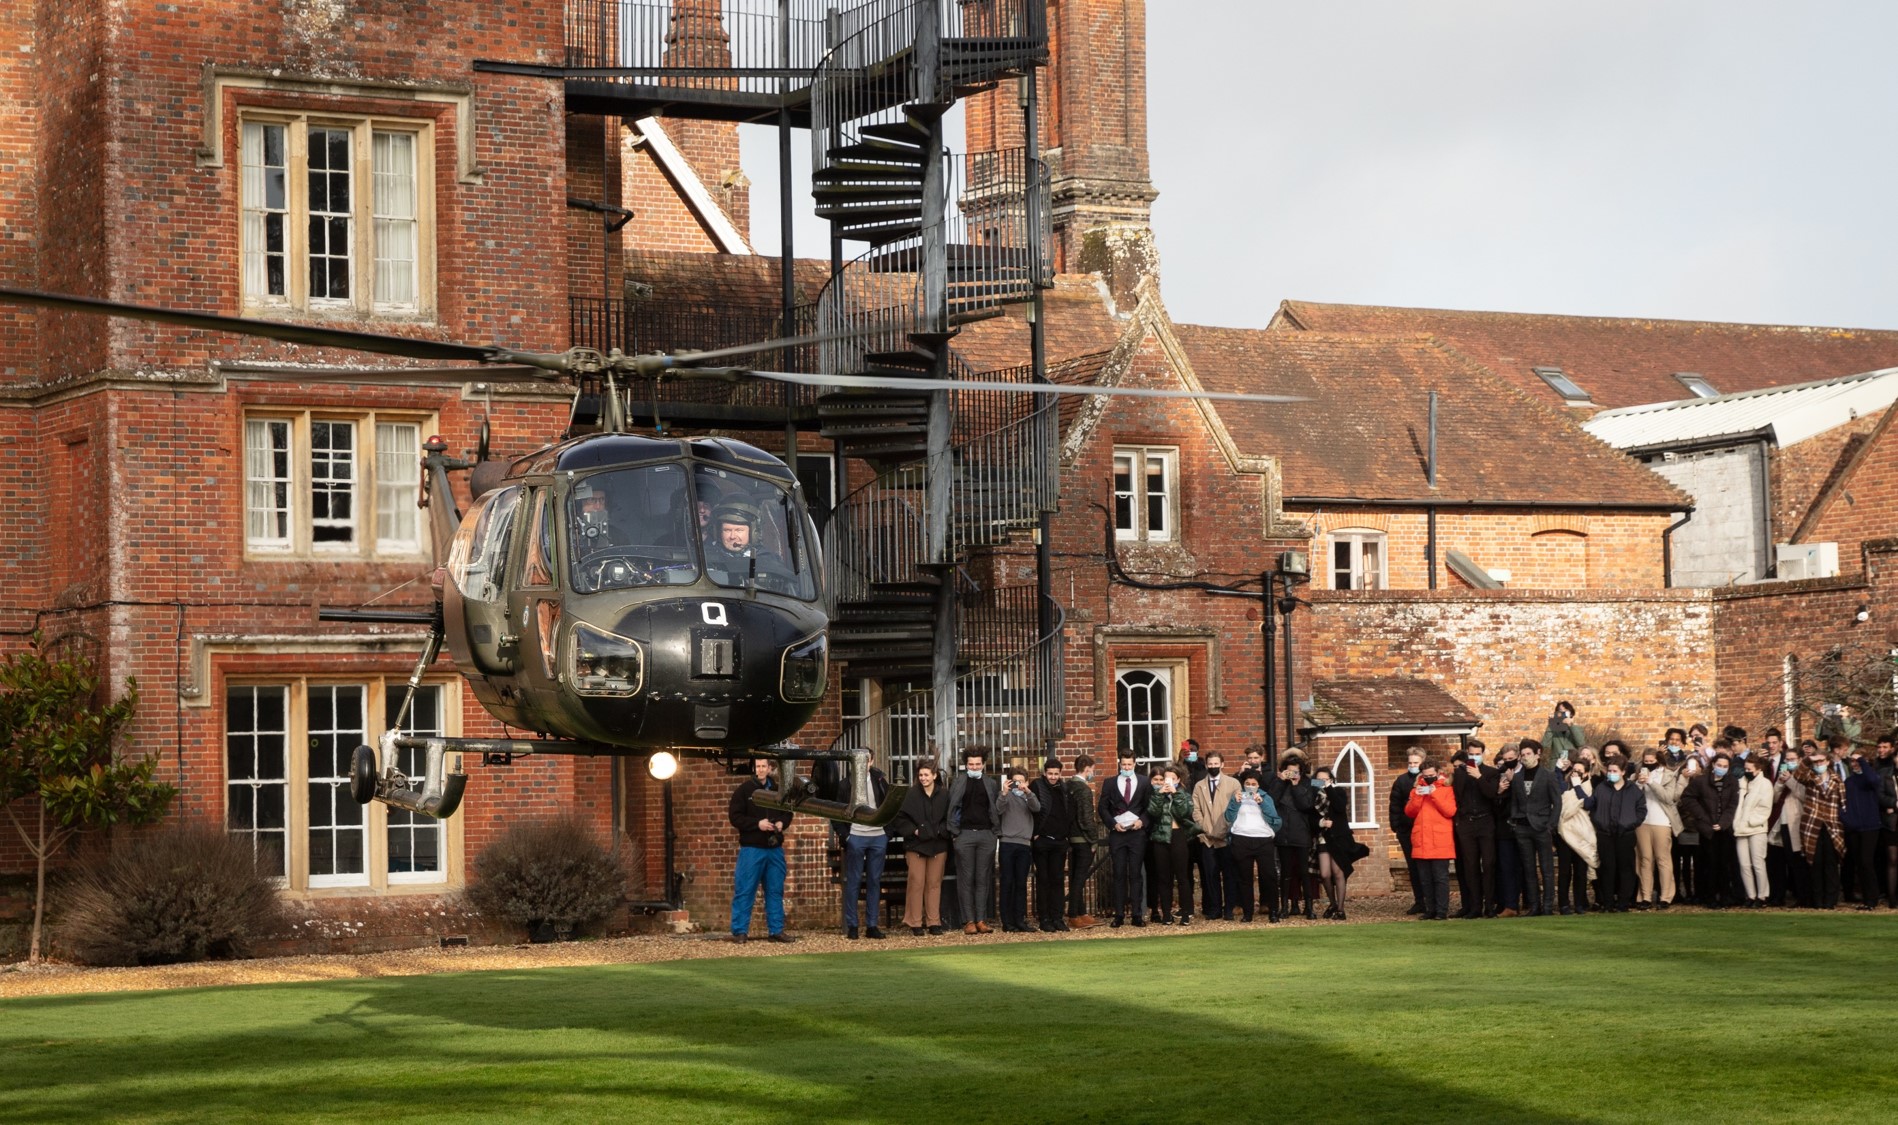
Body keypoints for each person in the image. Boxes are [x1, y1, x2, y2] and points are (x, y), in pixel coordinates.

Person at [728, 758, 796, 944]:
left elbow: (788, 811)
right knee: (745, 890)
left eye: (763, 766)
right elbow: (735, 817)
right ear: (754, 768)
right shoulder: (744, 791)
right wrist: (757, 824)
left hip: (774, 848)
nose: (760, 769)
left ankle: (776, 930)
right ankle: (740, 931)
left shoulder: (778, 790)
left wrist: (783, 822)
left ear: (770, 768)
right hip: (752, 848)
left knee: (775, 891)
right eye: (757, 766)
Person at [948, 748, 1003, 935]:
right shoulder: (958, 782)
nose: (974, 767)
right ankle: (969, 921)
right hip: (964, 835)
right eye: (971, 764)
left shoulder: (990, 783)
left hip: (986, 834)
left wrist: (994, 833)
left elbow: (994, 808)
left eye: (977, 764)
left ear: (983, 764)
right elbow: (952, 806)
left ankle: (981, 919)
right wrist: (955, 833)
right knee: (966, 879)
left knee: (983, 879)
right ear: (966, 765)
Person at [1505, 739, 1563, 916]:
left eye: (1528, 754)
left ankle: (1547, 906)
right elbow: (1514, 802)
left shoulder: (1548, 775)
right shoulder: (1517, 778)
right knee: (1528, 869)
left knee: (1546, 868)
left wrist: (1550, 825)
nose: (1525, 757)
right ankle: (1534, 905)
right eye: (1522, 755)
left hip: (1541, 827)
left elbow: (1557, 803)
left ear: (1538, 754)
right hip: (1522, 827)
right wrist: (1515, 821)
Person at [1582, 754, 1646, 912]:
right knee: (1607, 869)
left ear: (1623, 772)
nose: (1611, 773)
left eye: (1615, 770)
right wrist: (1599, 822)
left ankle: (1624, 902)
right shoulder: (1601, 788)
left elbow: (1641, 810)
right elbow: (1593, 807)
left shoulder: (1633, 790)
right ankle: (1608, 902)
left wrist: (1631, 823)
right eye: (1609, 770)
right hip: (1605, 834)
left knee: (1626, 869)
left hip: (1625, 834)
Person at [1097, 751, 1154, 927]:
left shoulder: (1144, 782)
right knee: (1119, 873)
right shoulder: (1110, 783)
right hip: (1118, 834)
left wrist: (1142, 822)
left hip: (1137, 834)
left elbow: (1150, 806)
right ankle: (1119, 914)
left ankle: (1137, 914)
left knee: (1136, 874)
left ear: (1135, 764)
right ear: (1119, 764)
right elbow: (1102, 807)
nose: (1126, 768)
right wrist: (1113, 824)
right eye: (1124, 765)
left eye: (1129, 765)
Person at [893, 762, 950, 935]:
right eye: (921, 775)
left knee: (934, 883)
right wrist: (914, 830)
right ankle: (915, 922)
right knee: (916, 883)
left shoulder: (944, 795)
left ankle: (934, 921)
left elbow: (951, 817)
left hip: (938, 844)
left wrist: (941, 830)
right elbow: (900, 817)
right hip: (916, 844)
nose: (923, 778)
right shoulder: (911, 795)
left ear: (935, 775)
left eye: (926, 775)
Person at [1681, 745, 1741, 908]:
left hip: (1725, 829)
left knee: (1725, 864)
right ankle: (1710, 897)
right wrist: (1703, 818)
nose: (1721, 768)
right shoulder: (1701, 781)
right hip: (1707, 829)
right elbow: (1687, 798)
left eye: (1725, 766)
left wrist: (1722, 824)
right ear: (1713, 765)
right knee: (1709, 865)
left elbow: (1732, 805)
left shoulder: (1732, 783)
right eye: (1719, 765)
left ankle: (1725, 896)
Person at [836, 765, 891, 940]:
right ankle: (852, 926)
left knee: (874, 881)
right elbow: (835, 811)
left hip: (878, 836)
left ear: (872, 761)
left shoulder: (881, 781)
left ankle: (872, 925)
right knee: (854, 881)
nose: (863, 763)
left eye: (867, 759)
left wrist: (886, 834)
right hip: (856, 835)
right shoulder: (845, 784)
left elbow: (891, 807)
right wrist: (846, 836)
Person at [1224, 769, 1283, 922]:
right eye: (1247, 784)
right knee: (1244, 878)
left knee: (1268, 876)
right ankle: (1247, 913)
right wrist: (1235, 802)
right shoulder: (1237, 797)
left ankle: (1273, 911)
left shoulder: (1265, 797)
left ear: (1258, 785)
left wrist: (1261, 803)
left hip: (1263, 839)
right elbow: (1228, 817)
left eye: (1253, 784)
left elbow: (1275, 818)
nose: (1250, 787)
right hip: (1241, 839)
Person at [1450, 743, 1500, 918]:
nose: (1474, 756)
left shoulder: (1491, 773)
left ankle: (1490, 905)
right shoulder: (1460, 773)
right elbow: (1458, 796)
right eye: (1471, 754)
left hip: (1485, 822)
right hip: (1467, 823)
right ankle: (1475, 906)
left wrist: (1479, 777)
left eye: (1477, 753)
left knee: (1488, 865)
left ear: (1483, 754)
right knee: (1470, 866)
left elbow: (1491, 794)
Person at [1404, 761, 1458, 921]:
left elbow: (1450, 811)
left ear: (1438, 773)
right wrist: (1418, 797)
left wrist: (1434, 794)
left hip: (1440, 840)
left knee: (1440, 878)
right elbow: (1409, 812)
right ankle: (1430, 909)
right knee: (1425, 879)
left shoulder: (1447, 789)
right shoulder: (1416, 790)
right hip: (1422, 839)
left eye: (1431, 775)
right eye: (1425, 776)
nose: (1428, 778)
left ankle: (1441, 910)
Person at [1192, 751, 1242, 920]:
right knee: (1210, 875)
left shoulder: (1233, 783)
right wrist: (1206, 829)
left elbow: (1235, 809)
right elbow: (1195, 810)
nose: (1213, 767)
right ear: (1206, 765)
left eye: (1216, 763)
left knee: (1229, 875)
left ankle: (1229, 909)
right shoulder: (1199, 785)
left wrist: (1222, 830)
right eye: (1210, 764)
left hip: (1226, 838)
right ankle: (1214, 909)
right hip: (1207, 839)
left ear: (1222, 764)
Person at [1310, 766, 1365, 920]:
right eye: (1318, 780)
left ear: (1331, 780)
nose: (1321, 782)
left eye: (1325, 779)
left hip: (1339, 837)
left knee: (1338, 872)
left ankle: (1340, 909)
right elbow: (1309, 816)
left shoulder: (1338, 791)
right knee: (1325, 874)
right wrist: (1320, 823)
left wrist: (1328, 788)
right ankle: (1332, 903)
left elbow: (1340, 807)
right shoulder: (1313, 795)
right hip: (1323, 837)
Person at [1146, 763, 1197, 925]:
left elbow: (1184, 813)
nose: (1168, 782)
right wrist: (1160, 794)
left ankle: (1186, 913)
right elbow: (1153, 812)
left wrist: (1175, 794)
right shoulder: (1156, 794)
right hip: (1161, 838)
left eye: (1172, 779)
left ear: (1178, 780)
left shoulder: (1183, 795)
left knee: (1182, 877)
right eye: (1167, 779)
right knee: (1163, 878)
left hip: (1178, 836)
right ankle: (1166, 913)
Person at [1268, 750, 1317, 919]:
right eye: (1289, 771)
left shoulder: (1307, 784)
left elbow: (1306, 805)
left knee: (1304, 871)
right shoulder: (1278, 783)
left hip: (1301, 833)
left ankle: (1309, 906)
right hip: (1283, 834)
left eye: (1295, 771)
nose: (1292, 774)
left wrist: (1296, 785)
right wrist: (1281, 782)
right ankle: (1285, 907)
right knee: (1286, 872)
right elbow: (1271, 802)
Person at [1797, 744, 1846, 909]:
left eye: (1821, 761)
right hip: (1813, 823)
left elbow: (1843, 804)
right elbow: (1798, 774)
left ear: (1828, 761)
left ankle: (1830, 901)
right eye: (1816, 762)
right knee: (1815, 863)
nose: (1819, 764)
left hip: (1832, 825)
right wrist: (1808, 759)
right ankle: (1817, 900)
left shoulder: (1837, 779)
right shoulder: (1810, 776)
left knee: (1830, 863)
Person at [1634, 747, 1683, 910]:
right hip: (1643, 822)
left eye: (1651, 761)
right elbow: (1632, 797)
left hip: (1662, 821)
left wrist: (1650, 782)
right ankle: (1645, 896)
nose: (1648, 764)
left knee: (1663, 859)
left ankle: (1666, 896)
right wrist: (1639, 784)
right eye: (1646, 761)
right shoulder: (1637, 774)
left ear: (1658, 760)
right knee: (1645, 859)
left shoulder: (1668, 775)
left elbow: (1668, 798)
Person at [993, 767, 1042, 932]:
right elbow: (998, 810)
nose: (1018, 784)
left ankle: (1020, 919)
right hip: (1007, 843)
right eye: (1015, 781)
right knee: (1007, 882)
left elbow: (1037, 808)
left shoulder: (1029, 797)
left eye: (1021, 781)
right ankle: (1007, 922)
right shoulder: (1006, 797)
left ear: (1026, 782)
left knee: (1021, 883)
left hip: (1024, 844)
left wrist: (1028, 792)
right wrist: (1004, 793)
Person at [1029, 757, 1072, 932]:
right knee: (1043, 880)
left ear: (1060, 774)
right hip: (1043, 840)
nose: (1053, 777)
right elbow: (1031, 810)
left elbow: (1069, 812)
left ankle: (1057, 917)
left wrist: (1066, 835)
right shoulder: (1037, 786)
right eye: (1050, 773)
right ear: (1044, 773)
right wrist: (1035, 833)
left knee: (1058, 880)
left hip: (1060, 841)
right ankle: (1044, 918)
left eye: (1056, 774)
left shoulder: (1064, 788)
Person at [1063, 755, 1106, 927]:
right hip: (1083, 839)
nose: (1092, 773)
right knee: (1079, 878)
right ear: (1087, 768)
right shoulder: (1084, 789)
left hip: (1071, 838)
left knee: (1075, 876)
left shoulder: (1067, 786)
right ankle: (1074, 914)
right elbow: (1086, 818)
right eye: (1092, 770)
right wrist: (1094, 839)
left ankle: (1080, 912)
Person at [1769, 746, 1811, 908]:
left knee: (1799, 863)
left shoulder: (1805, 775)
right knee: (1783, 862)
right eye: (1787, 759)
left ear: (1800, 760)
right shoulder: (1783, 776)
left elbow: (1804, 795)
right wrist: (1780, 782)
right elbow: (1773, 798)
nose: (1789, 762)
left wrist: (1790, 780)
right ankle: (1780, 896)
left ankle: (1804, 897)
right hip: (1782, 822)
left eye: (1793, 759)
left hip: (1798, 823)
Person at [1843, 750, 1884, 910]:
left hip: (1870, 826)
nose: (1855, 764)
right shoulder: (1849, 781)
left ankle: (1872, 898)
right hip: (1854, 827)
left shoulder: (1870, 778)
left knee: (1867, 862)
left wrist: (1861, 760)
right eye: (1852, 762)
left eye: (1858, 761)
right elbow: (1843, 803)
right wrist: (1847, 819)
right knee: (1859, 863)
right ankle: (1866, 899)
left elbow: (1873, 779)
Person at [1556, 758, 1598, 915]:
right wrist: (1558, 770)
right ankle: (1564, 904)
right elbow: (1560, 799)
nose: (1576, 774)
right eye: (1574, 770)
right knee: (1564, 871)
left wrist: (1577, 786)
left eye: (1580, 771)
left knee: (1580, 871)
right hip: (1565, 833)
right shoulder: (1564, 786)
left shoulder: (1588, 787)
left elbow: (1587, 804)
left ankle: (1580, 903)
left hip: (1581, 834)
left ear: (1586, 773)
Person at [1733, 754, 1774, 907]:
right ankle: (1750, 895)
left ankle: (1762, 896)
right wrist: (1738, 823)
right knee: (1744, 864)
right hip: (1740, 828)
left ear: (1758, 769)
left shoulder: (1765, 784)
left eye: (1749, 769)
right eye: (1745, 768)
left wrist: (1750, 821)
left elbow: (1765, 808)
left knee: (1758, 863)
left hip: (1757, 829)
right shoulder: (1742, 783)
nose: (1746, 771)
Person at [1389, 749, 1427, 915]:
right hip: (1407, 830)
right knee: (1413, 867)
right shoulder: (1402, 781)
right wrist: (1396, 826)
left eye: (1416, 763)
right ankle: (1420, 900)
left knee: (1425, 867)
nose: (1412, 766)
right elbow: (1395, 805)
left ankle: (1430, 900)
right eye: (1410, 763)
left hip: (1425, 829)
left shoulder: (1428, 780)